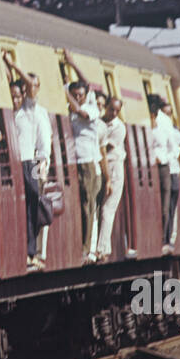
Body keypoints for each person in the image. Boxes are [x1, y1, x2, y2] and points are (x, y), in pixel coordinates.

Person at [8, 60, 52, 269]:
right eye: (12, 96)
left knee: (33, 203)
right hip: (16, 163)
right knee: (20, 207)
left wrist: (12, 65)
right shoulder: (10, 115)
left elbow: (31, 86)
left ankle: (31, 252)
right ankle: (24, 250)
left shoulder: (30, 109)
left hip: (32, 162)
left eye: (18, 96)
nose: (15, 100)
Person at [150, 94, 180, 255]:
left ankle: (166, 239)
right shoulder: (145, 120)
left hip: (165, 167)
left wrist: (164, 159)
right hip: (150, 166)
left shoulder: (165, 122)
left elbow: (175, 147)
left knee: (166, 206)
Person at [66, 77, 101, 263]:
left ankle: (87, 248)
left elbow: (82, 112)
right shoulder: (71, 112)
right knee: (78, 204)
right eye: (75, 95)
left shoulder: (91, 109)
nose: (78, 98)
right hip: (74, 162)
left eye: (80, 95)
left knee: (88, 204)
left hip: (87, 162)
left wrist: (64, 92)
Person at [97, 95, 134, 261]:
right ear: (106, 106)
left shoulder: (119, 128)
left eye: (117, 111)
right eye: (111, 109)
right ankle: (102, 247)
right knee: (99, 209)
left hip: (114, 167)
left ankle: (102, 249)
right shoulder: (99, 121)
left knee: (107, 209)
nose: (113, 113)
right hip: (102, 166)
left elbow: (104, 148)